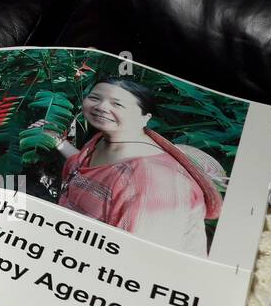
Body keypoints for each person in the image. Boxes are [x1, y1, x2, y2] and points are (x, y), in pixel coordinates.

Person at [50, 76, 224, 257]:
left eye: (118, 104)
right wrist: (59, 142)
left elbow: (136, 258)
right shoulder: (105, 139)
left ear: (144, 117)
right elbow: (83, 171)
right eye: (95, 98)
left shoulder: (153, 181)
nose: (102, 107)